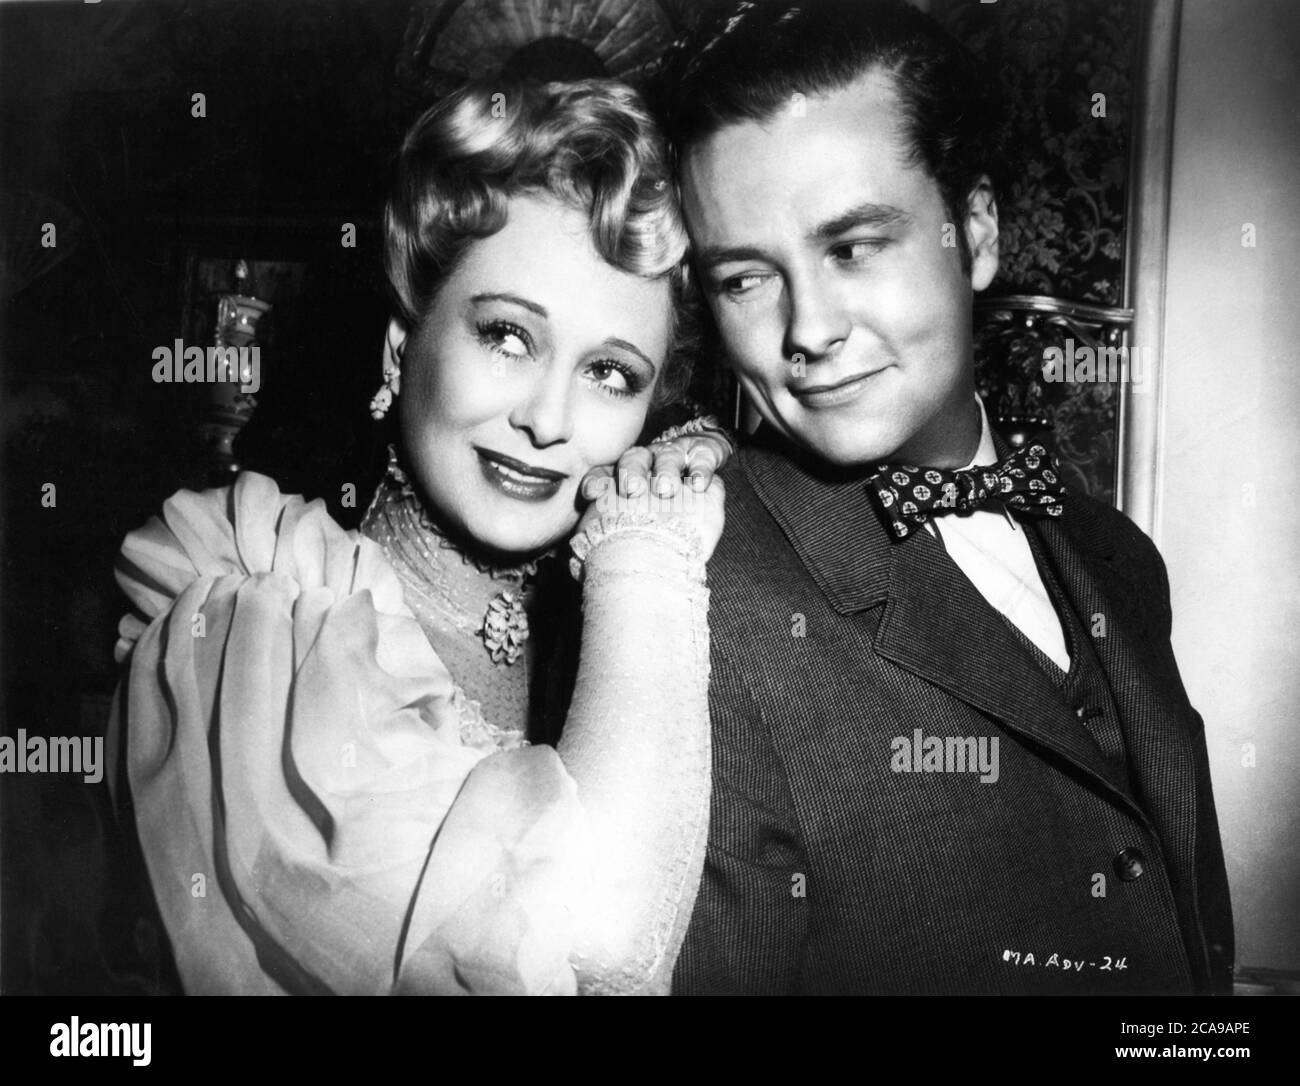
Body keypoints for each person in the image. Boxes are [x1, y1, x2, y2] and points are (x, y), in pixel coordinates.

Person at [108, 77, 732, 996]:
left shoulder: (583, 630)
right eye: (508, 336)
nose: (550, 421)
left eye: (609, 372)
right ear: (403, 348)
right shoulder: (262, 611)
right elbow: (603, 957)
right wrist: (648, 557)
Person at [659, 0, 1233, 995]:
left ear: (973, 234)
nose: (809, 330)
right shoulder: (685, 589)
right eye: (746, 280)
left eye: (852, 246)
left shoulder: (1119, 558)